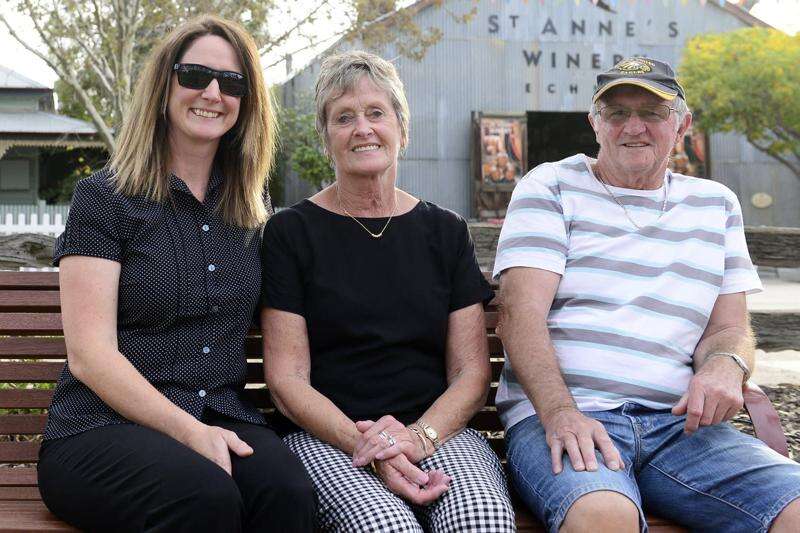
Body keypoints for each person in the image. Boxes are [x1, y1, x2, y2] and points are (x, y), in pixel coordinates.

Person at [493, 56, 800, 533]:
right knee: (603, 517)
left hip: (683, 429)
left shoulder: (716, 204)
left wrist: (726, 365)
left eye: (652, 113)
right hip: (572, 415)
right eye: (616, 113)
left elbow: (730, 328)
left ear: (682, 125)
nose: (633, 126)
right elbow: (519, 315)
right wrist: (559, 412)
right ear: (595, 124)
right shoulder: (551, 185)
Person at [37, 15, 315, 532]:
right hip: (99, 427)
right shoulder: (105, 198)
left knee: (289, 496)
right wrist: (188, 432)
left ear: (246, 102)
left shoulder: (252, 213)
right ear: (165, 85)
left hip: (221, 413)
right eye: (195, 76)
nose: (213, 92)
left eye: (232, 83)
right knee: (204, 500)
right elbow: (90, 356)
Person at [260, 50, 515, 532]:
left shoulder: (444, 231)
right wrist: (369, 445)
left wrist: (419, 438)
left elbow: (469, 372)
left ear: (402, 126)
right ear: (326, 137)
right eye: (344, 118)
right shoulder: (290, 234)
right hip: (329, 436)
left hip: (437, 432)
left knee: (482, 520)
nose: (363, 129)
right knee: (385, 527)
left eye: (376, 113)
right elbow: (288, 379)